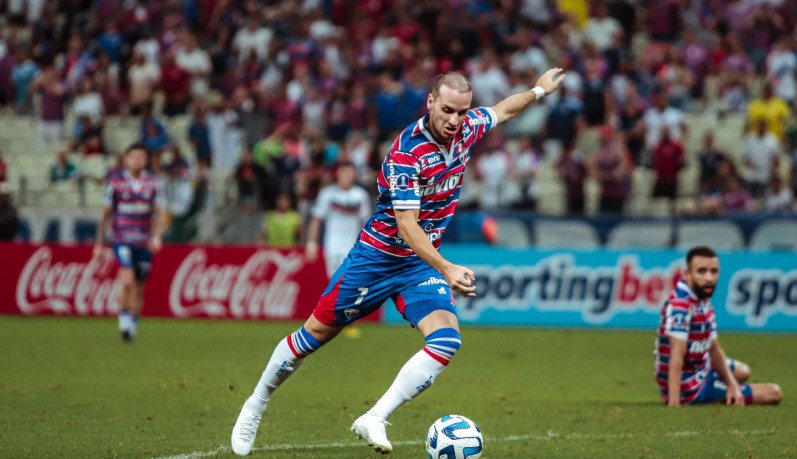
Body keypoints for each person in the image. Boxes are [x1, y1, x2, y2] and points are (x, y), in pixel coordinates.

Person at [230, 68, 566, 456]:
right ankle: (255, 404)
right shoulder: (406, 152)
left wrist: (539, 90)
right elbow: (407, 226)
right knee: (312, 337)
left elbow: (504, 110)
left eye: (462, 112)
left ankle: (375, 416)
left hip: (418, 267)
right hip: (377, 259)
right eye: (447, 111)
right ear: (430, 103)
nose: (455, 121)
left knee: (446, 340)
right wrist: (448, 267)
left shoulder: (468, 127)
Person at [654, 246, 783, 406]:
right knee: (774, 393)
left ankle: (723, 385)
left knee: (743, 371)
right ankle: (711, 393)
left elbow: (713, 347)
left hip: (702, 368)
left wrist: (732, 385)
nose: (709, 278)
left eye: (714, 271)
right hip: (691, 388)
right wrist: (674, 402)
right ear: (688, 274)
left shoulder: (702, 298)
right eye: (702, 271)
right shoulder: (681, 305)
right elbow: (676, 354)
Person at [93, 144, 165, 342]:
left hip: (144, 242)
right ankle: (124, 325)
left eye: (142, 156)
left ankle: (131, 325)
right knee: (127, 280)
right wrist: (99, 244)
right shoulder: (115, 183)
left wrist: (157, 236)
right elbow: (105, 214)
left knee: (140, 286)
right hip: (122, 239)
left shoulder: (152, 183)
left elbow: (157, 212)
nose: (138, 160)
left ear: (147, 160)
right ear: (126, 159)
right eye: (134, 156)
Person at [305, 162, 371, 277]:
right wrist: (311, 243)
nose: (347, 175)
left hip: (354, 245)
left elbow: (366, 223)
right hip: (333, 245)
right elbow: (316, 219)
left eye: (350, 172)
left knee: (353, 283)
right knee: (337, 281)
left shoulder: (361, 195)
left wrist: (369, 245)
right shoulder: (327, 194)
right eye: (344, 172)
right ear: (338, 174)